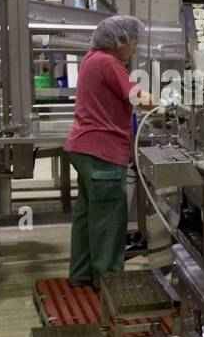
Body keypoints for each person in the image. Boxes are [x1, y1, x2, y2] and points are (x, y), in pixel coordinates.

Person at [63, 15, 150, 288]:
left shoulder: (91, 58)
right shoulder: (110, 63)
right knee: (109, 222)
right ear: (119, 40)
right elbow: (139, 98)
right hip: (103, 151)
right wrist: (170, 103)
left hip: (82, 148)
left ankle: (81, 274)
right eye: (133, 41)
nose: (135, 47)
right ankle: (110, 283)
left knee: (88, 216)